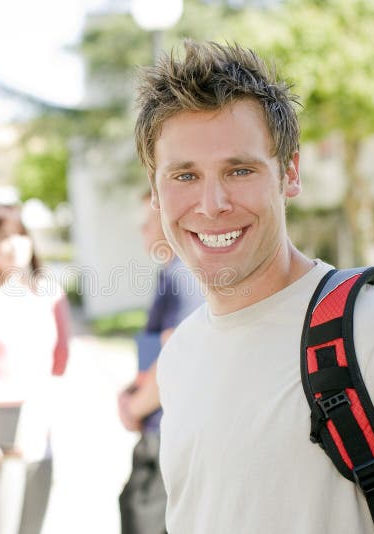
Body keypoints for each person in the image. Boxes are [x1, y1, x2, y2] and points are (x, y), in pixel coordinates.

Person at [134, 40, 374, 533]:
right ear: (155, 190)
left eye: (239, 170)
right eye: (185, 175)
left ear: (289, 172)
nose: (212, 202)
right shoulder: (181, 358)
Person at [0, 203, 70, 534]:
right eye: (1, 237)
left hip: (40, 430)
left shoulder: (48, 295)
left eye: (19, 235)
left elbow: (60, 363)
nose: (12, 245)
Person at [117, 194, 203, 534]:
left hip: (164, 437)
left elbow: (176, 356)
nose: (142, 231)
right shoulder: (173, 273)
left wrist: (133, 407)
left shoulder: (182, 276)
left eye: (146, 222)